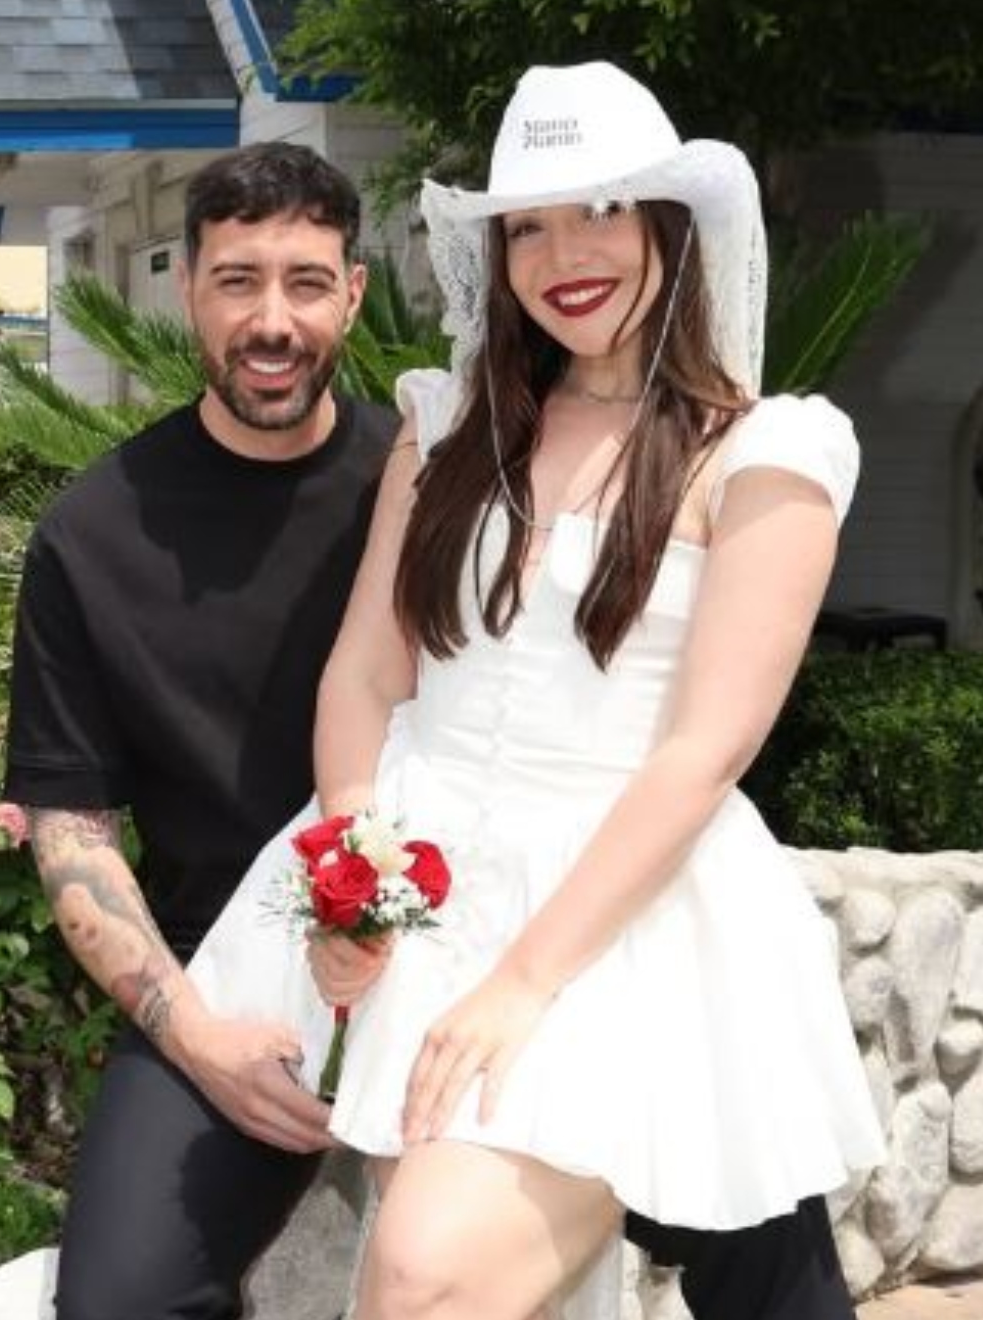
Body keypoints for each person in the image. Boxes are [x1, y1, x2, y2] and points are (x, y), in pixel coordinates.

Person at [185, 63, 885, 1320]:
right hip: (430, 876)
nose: (566, 253)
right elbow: (367, 669)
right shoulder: (448, 423)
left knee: (423, 1275)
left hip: (626, 917)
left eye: (602, 211)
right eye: (530, 225)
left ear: (669, 224)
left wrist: (520, 985)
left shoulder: (767, 453)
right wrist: (356, 871)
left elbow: (704, 753)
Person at [6, 141, 391, 1320]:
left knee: (726, 1189)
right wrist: (196, 1032)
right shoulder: (93, 535)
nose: (271, 321)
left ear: (354, 293)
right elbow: (69, 828)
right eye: (238, 280)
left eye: (305, 281)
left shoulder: (424, 485)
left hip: (442, 947)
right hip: (222, 964)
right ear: (186, 289)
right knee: (115, 1302)